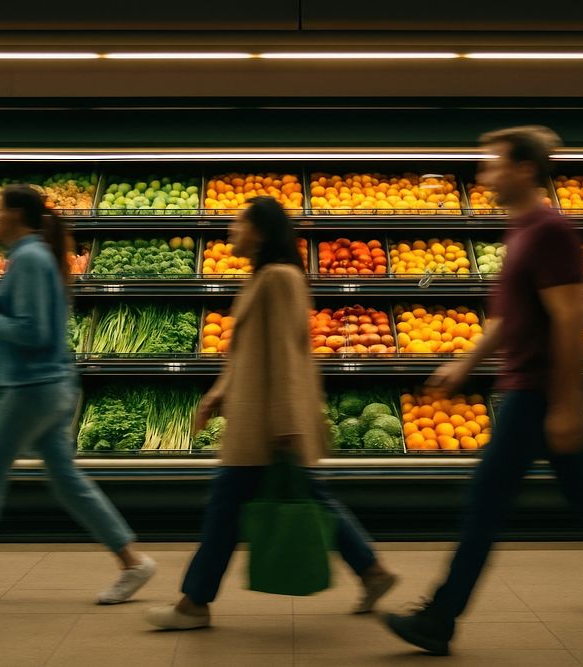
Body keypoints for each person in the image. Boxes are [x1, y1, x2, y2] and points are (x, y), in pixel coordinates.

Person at [382, 126, 583, 656]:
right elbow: (509, 318)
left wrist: (567, 406)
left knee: (490, 502)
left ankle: (440, 616)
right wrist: (466, 363)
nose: (484, 174)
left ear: (524, 170)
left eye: (494, 163)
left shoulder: (549, 230)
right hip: (528, 389)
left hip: (539, 393)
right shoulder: (523, 229)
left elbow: (570, 318)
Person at [145, 196, 397, 630]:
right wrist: (217, 394)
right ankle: (372, 572)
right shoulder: (264, 276)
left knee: (225, 512)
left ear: (260, 231)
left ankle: (193, 604)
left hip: (266, 424)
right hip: (259, 419)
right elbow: (248, 351)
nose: (231, 230)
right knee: (305, 499)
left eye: (239, 223)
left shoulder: (279, 278)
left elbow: (284, 356)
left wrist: (284, 424)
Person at [0, 185, 154, 605]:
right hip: (50, 385)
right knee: (68, 482)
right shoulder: (32, 256)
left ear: (17, 215)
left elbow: (32, 332)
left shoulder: (30, 259)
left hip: (31, 388)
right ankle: (133, 562)